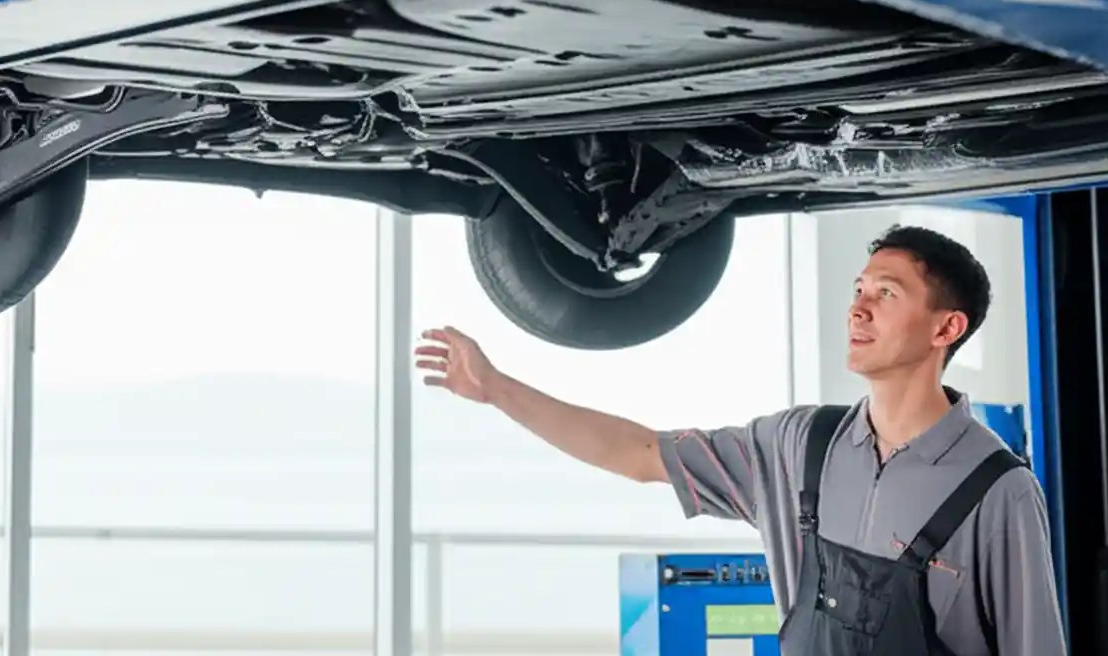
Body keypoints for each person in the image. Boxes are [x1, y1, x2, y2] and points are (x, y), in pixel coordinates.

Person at [414, 224, 1067, 656]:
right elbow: (639, 453)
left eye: (887, 294)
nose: (859, 307)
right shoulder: (798, 446)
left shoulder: (996, 489)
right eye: (859, 289)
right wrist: (497, 389)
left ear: (944, 328)